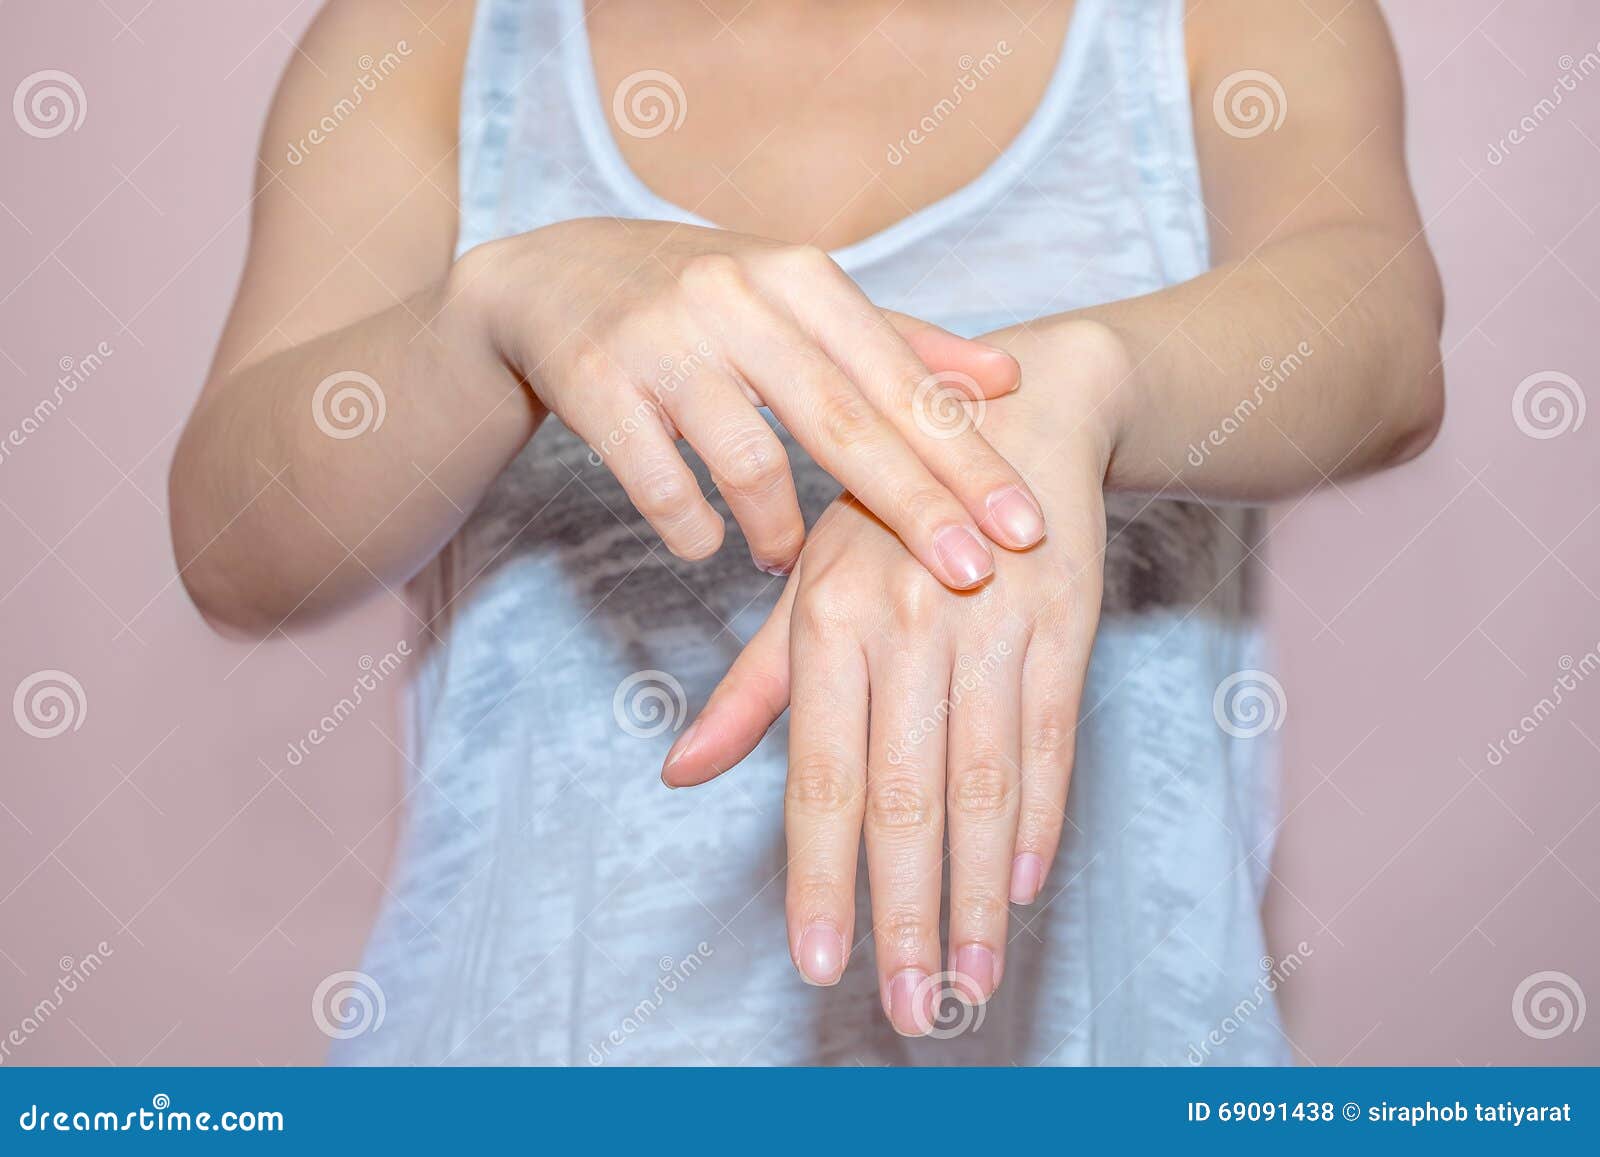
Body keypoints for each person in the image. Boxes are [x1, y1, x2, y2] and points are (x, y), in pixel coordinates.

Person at [169, 0, 1443, 1063]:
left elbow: (1382, 343)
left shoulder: (1224, 21)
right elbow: (236, 550)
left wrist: (1077, 395)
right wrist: (487, 314)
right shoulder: (434, 35)